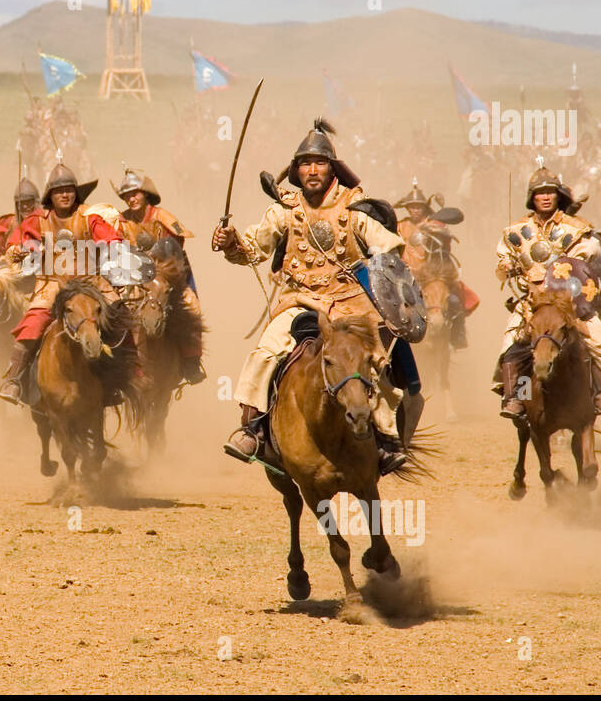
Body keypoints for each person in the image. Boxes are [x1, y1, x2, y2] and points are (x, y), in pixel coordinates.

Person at [210, 119, 418, 473]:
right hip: (300, 303)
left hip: (353, 308)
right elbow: (251, 250)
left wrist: (383, 261)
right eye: (305, 163)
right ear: (296, 171)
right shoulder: (284, 212)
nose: (312, 170)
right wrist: (230, 242)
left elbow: (389, 248)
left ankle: (384, 439)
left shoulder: (357, 208)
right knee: (265, 353)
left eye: (319, 162)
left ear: (332, 168)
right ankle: (253, 428)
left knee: (377, 362)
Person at [494, 165, 601, 419]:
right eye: (540, 192)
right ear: (532, 197)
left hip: (570, 303)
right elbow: (502, 263)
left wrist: (569, 271)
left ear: (558, 196)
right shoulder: (515, 231)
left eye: (550, 192)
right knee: (513, 347)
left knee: (597, 341)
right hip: (531, 303)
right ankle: (518, 398)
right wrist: (507, 265)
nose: (545, 197)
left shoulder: (578, 229)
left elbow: (592, 262)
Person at [0, 164, 122, 404]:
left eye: (69, 189)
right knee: (34, 323)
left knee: (119, 315)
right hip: (52, 284)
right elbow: (14, 244)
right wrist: (20, 251)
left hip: (90, 283)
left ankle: (124, 375)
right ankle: (14, 379)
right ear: (50, 195)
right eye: (59, 190)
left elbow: (110, 237)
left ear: (76, 192)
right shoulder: (37, 219)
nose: (65, 194)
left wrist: (113, 246)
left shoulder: (89, 215)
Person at [115, 168, 205, 384]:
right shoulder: (121, 221)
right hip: (132, 278)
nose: (131, 198)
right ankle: (118, 364)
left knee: (191, 306)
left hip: (166, 276)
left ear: (146, 193)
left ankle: (190, 361)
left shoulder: (161, 216)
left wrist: (157, 258)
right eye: (127, 195)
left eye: (135, 193)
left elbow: (176, 245)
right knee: (114, 308)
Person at [395, 180, 478, 349]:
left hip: (432, 275)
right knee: (393, 306)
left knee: (454, 301)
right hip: (407, 276)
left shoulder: (435, 223)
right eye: (411, 206)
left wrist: (432, 230)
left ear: (424, 207)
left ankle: (457, 335)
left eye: (418, 206)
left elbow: (444, 243)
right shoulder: (401, 226)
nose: (415, 210)